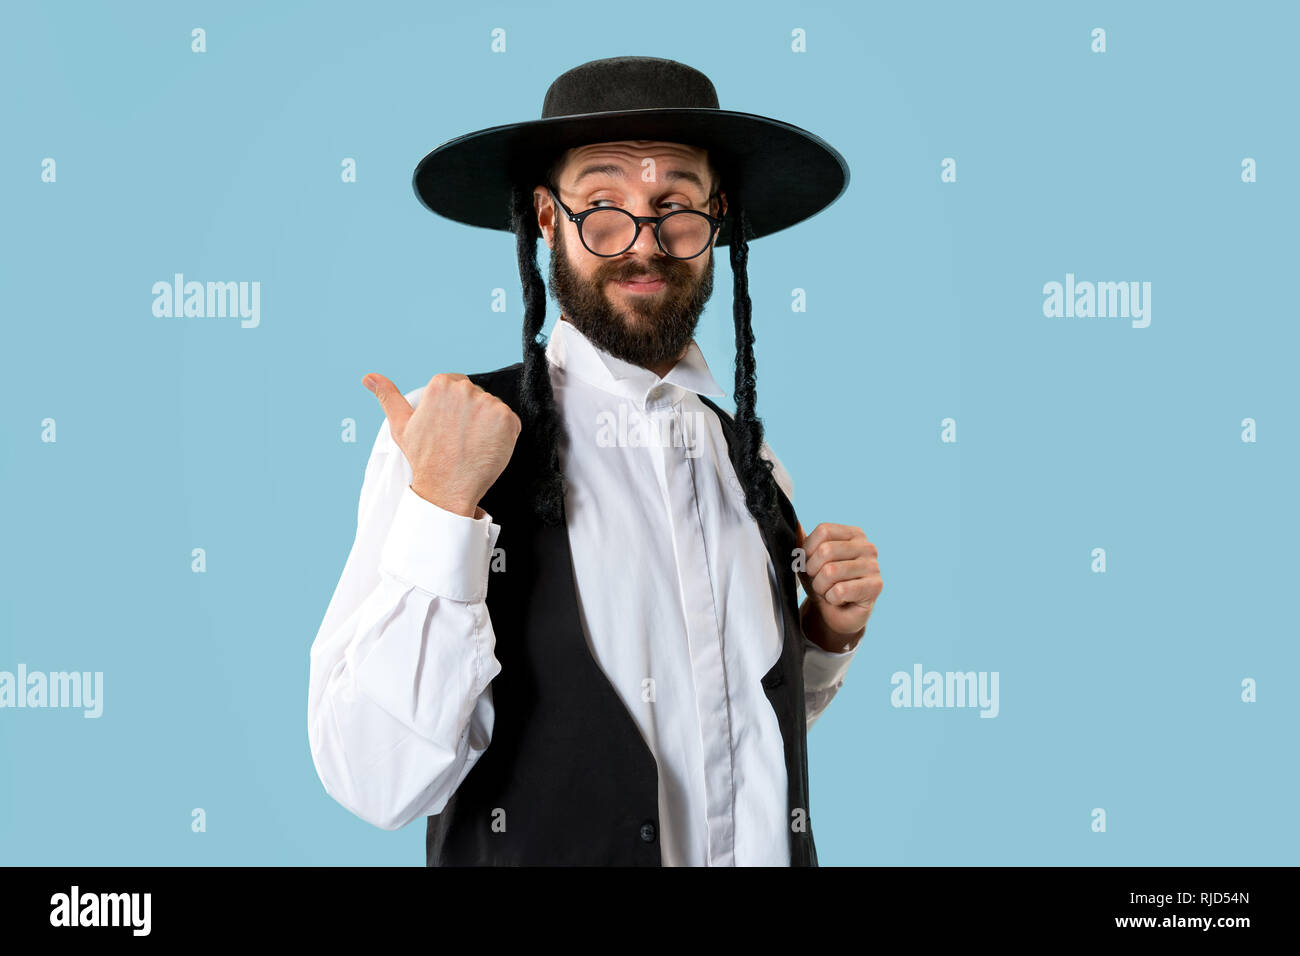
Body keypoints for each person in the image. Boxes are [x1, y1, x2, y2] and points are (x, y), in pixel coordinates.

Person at [307, 56, 884, 866]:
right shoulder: (447, 441)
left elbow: (723, 739)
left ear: (715, 221)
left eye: (675, 204)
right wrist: (442, 503)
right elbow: (375, 779)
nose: (643, 244)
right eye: (604, 204)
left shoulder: (751, 464)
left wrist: (823, 634)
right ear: (548, 219)